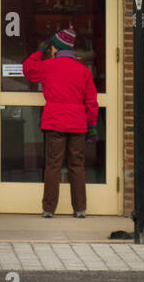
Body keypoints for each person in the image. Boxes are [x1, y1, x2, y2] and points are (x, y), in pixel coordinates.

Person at [22, 26, 99, 218]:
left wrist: (40, 49)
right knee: (77, 165)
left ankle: (49, 209)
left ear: (56, 48)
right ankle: (80, 209)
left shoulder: (48, 66)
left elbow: (28, 68)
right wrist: (92, 126)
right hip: (78, 124)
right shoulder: (83, 71)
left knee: (53, 165)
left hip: (54, 122)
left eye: (51, 47)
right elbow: (91, 101)